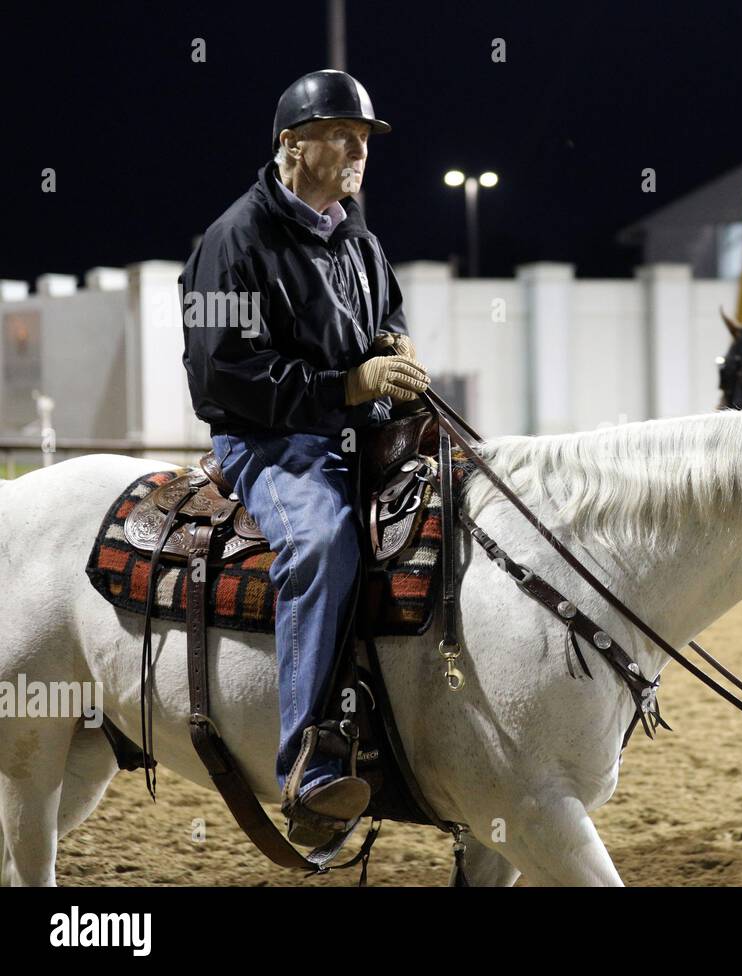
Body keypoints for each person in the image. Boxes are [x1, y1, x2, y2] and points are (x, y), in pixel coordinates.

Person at [180, 69, 429, 846]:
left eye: (364, 139)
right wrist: (345, 385)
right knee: (321, 543)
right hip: (270, 440)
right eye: (341, 135)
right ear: (292, 145)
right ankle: (307, 765)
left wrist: (394, 339)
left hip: (360, 424)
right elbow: (221, 375)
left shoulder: (355, 232)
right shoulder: (231, 242)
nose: (359, 149)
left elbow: (383, 305)